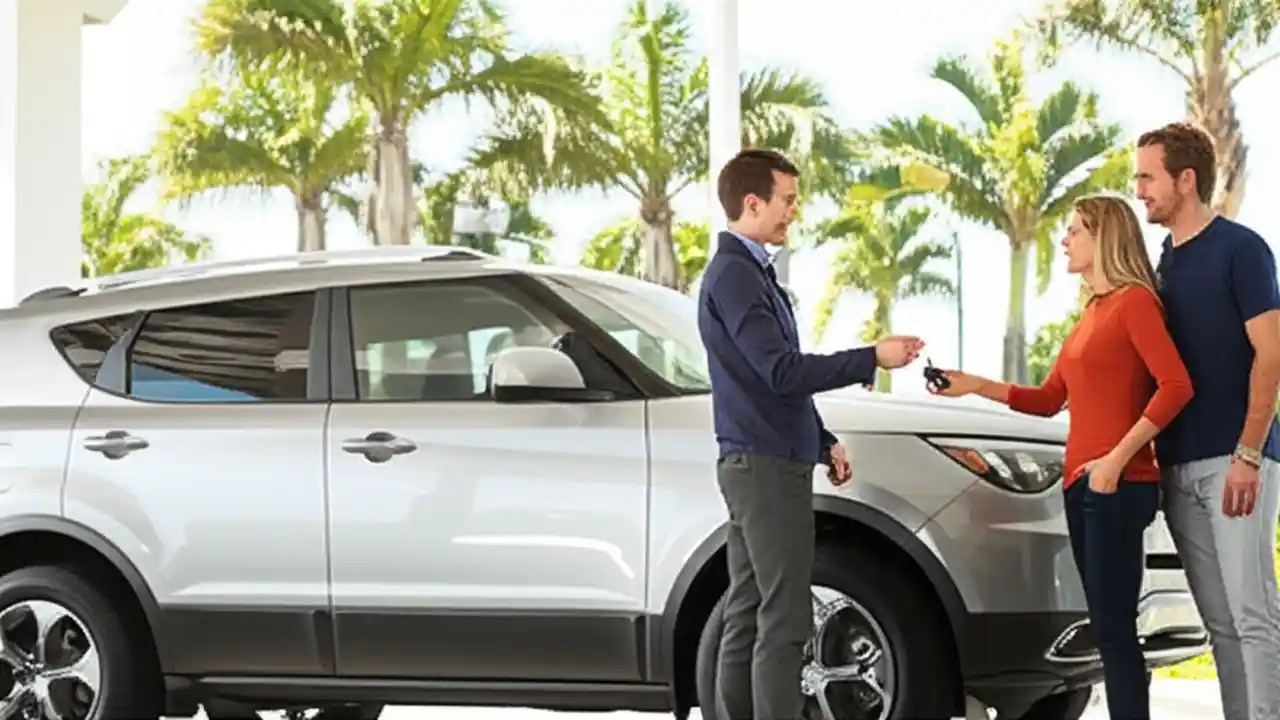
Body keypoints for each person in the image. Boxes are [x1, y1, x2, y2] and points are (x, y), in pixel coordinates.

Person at [926, 195, 1194, 720]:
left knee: (1115, 628)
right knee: (1107, 624)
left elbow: (1177, 385)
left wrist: (1116, 460)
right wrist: (971, 385)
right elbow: (1049, 399)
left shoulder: (1134, 302)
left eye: (1074, 230)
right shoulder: (1093, 311)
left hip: (1119, 483)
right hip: (1083, 485)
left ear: (1103, 238)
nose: (1065, 239)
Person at [696, 147, 923, 720]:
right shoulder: (737, 276)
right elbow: (781, 371)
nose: (794, 211)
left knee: (750, 607)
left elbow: (772, 378)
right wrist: (871, 355)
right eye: (787, 199)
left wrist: (822, 441)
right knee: (783, 614)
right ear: (753, 202)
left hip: (764, 458)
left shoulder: (748, 275)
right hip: (766, 466)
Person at [1134, 121, 1280, 720]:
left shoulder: (1241, 249)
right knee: (1219, 623)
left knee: (1252, 614)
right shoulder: (1161, 264)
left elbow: (1271, 353)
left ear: (1185, 180)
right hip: (1177, 463)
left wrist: (1248, 454)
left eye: (1147, 176)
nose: (1139, 189)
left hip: (1233, 459)